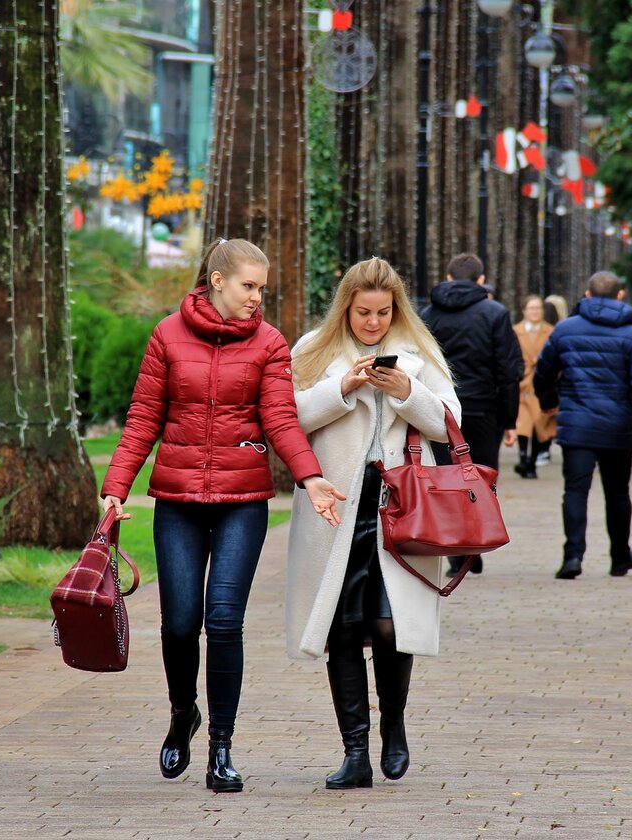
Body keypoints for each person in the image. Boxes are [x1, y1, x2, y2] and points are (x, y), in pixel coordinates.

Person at [101, 238, 346, 794]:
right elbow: (144, 416)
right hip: (178, 504)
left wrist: (309, 478)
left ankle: (222, 749)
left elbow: (281, 419)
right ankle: (182, 713)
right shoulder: (166, 335)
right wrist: (117, 487)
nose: (258, 298)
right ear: (216, 281)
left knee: (225, 621)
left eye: (262, 288)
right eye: (249, 286)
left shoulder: (270, 343)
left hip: (242, 504)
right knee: (181, 623)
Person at [286, 257, 459, 789]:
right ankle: (354, 751)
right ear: (346, 307)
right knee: (342, 628)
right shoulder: (314, 350)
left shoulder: (421, 353)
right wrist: (343, 386)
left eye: (383, 312)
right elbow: (288, 419)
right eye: (363, 312)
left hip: (401, 505)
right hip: (335, 506)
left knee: (390, 625)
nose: (373, 323)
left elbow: (450, 424)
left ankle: (395, 726)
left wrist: (405, 389)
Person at [534, 270, 632, 580]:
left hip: (576, 424)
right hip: (617, 425)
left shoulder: (565, 330)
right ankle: (620, 556)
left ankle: (573, 556)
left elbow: (543, 371)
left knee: (575, 491)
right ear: (620, 295)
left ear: (587, 295)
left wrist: (548, 400)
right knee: (618, 493)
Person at [421, 252, 523, 574]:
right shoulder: (495, 313)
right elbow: (508, 370)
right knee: (478, 478)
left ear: (449, 278)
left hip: (441, 410)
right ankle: (473, 542)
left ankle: (457, 549)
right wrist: (510, 420)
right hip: (482, 409)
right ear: (481, 280)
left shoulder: (427, 314)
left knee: (446, 476)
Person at [513, 295, 555, 478]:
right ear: (524, 310)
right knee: (523, 422)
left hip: (541, 382)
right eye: (531, 308)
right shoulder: (516, 331)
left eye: (538, 308)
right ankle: (523, 457)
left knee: (539, 422)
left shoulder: (551, 331)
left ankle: (532, 461)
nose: (535, 311)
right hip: (521, 383)